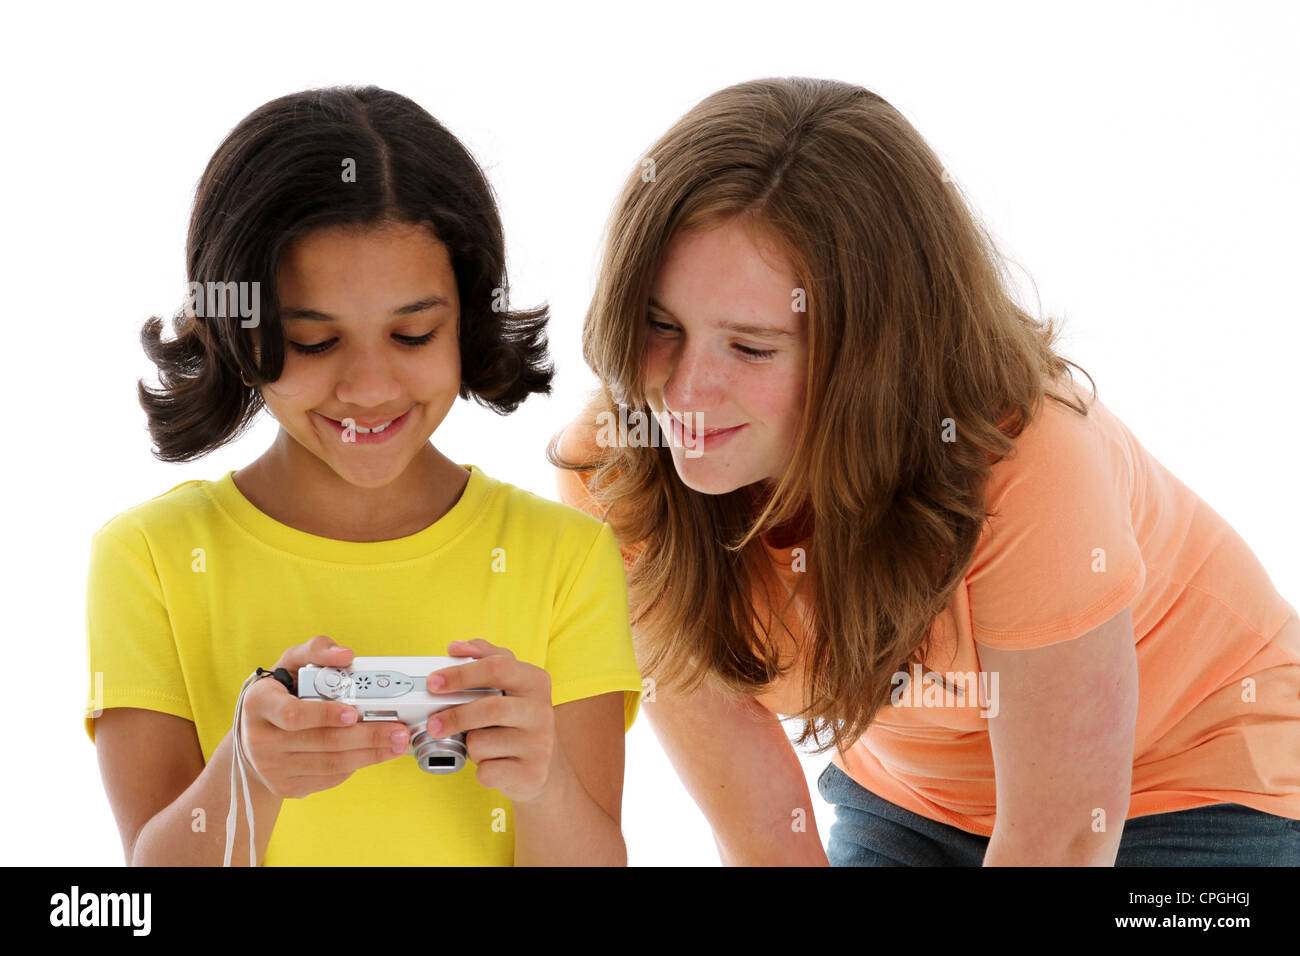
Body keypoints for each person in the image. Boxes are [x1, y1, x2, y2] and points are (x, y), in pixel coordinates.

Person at [550, 76, 1300, 866]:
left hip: (1207, 786)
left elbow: (1064, 838)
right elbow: (764, 832)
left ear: (873, 356)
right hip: (910, 804)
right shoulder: (614, 471)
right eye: (660, 325)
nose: (686, 394)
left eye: (751, 346)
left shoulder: (1026, 457)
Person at [84, 86, 642, 866]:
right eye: (315, 342)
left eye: (413, 334)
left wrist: (544, 785)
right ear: (239, 333)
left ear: (468, 320)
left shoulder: (567, 557)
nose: (371, 388)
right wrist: (247, 776)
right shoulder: (148, 558)